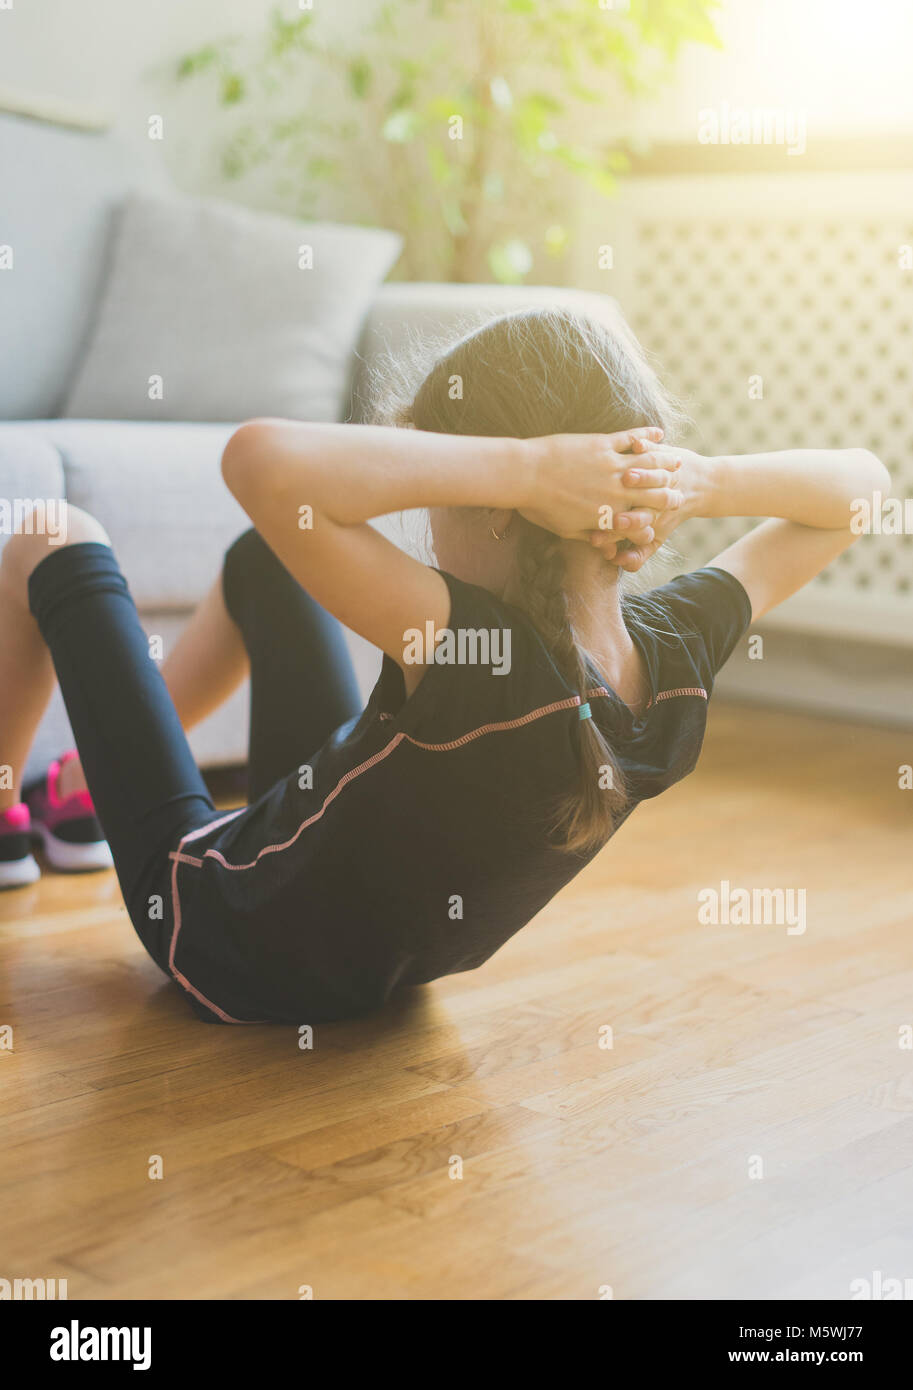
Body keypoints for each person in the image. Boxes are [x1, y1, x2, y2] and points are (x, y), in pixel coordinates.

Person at [0, 308, 889, 1024]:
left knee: (47, 531)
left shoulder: (475, 650)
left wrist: (524, 468)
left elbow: (259, 460)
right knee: (268, 557)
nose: (426, 525)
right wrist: (699, 483)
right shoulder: (671, 653)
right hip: (360, 947)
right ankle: (82, 786)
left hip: (216, 928)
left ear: (500, 506)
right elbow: (862, 489)